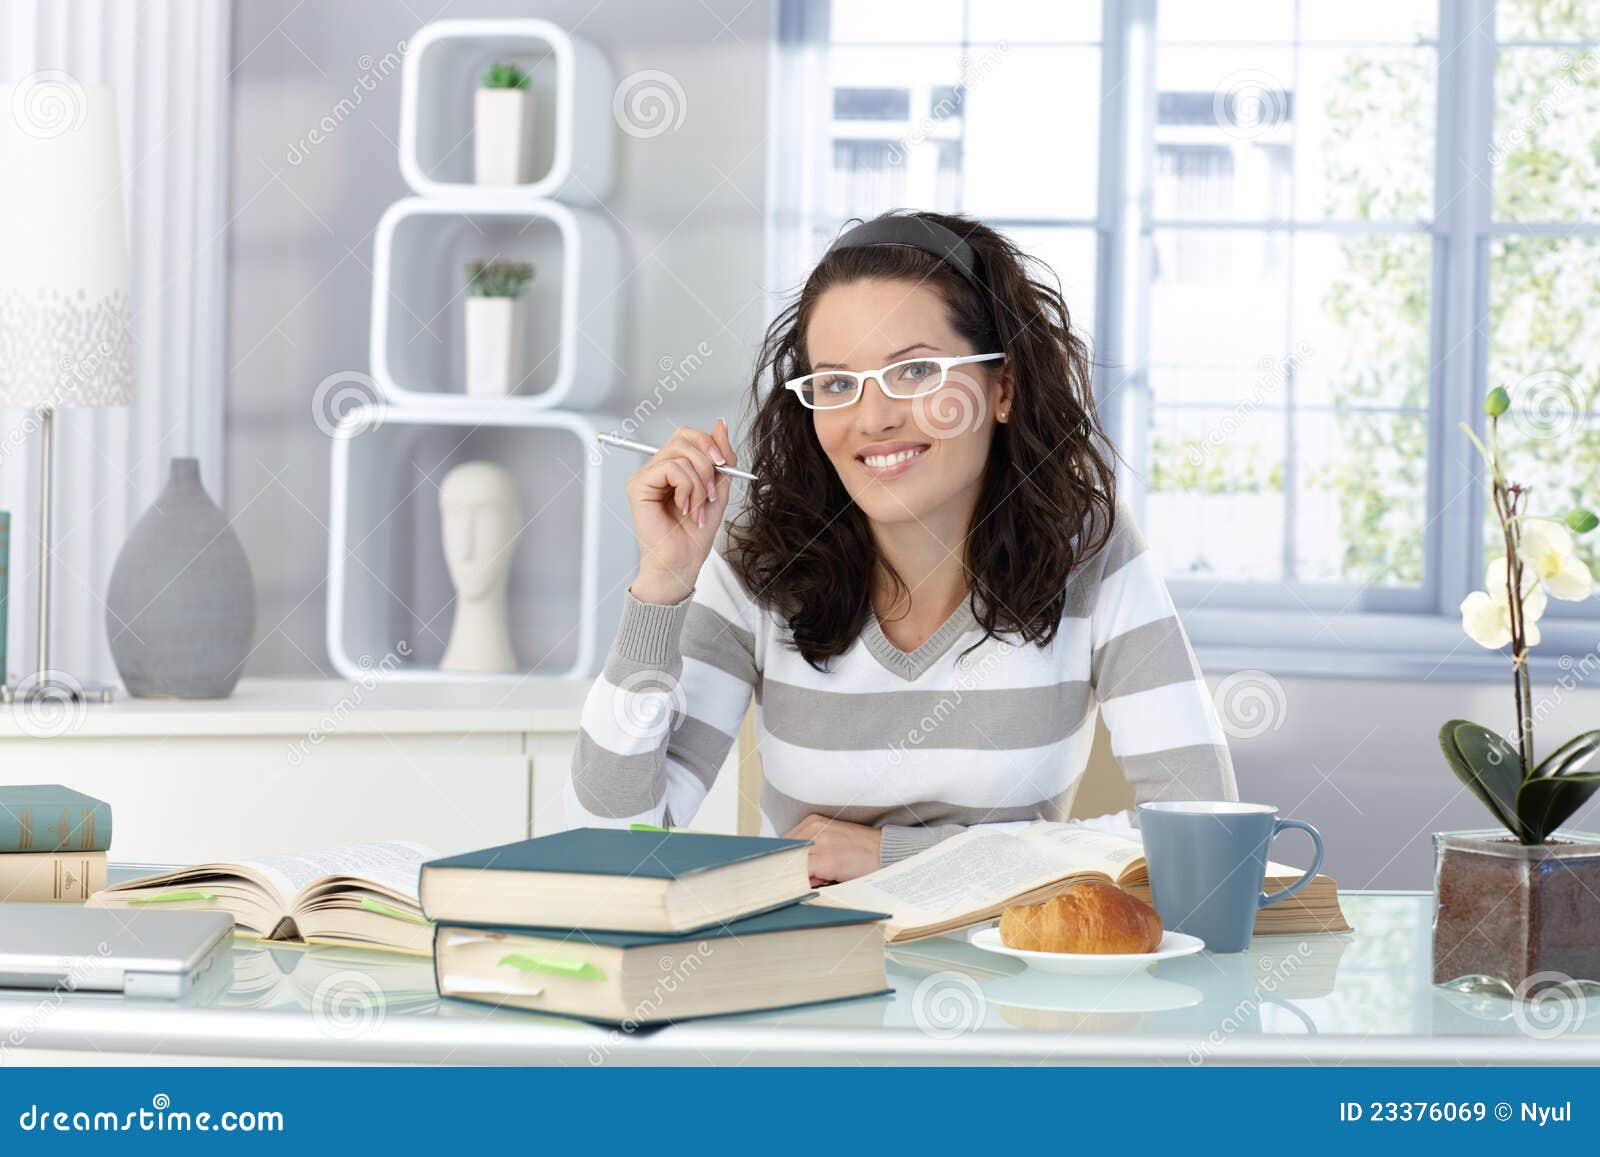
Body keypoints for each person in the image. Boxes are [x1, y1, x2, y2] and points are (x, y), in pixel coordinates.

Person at [570, 209, 1238, 887]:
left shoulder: (1089, 549)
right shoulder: (761, 562)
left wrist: (896, 856)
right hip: (809, 949)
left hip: (1006, 953)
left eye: (915, 371)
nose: (874, 418)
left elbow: (1203, 825)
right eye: (837, 383)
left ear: (1003, 387)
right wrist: (662, 583)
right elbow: (617, 843)